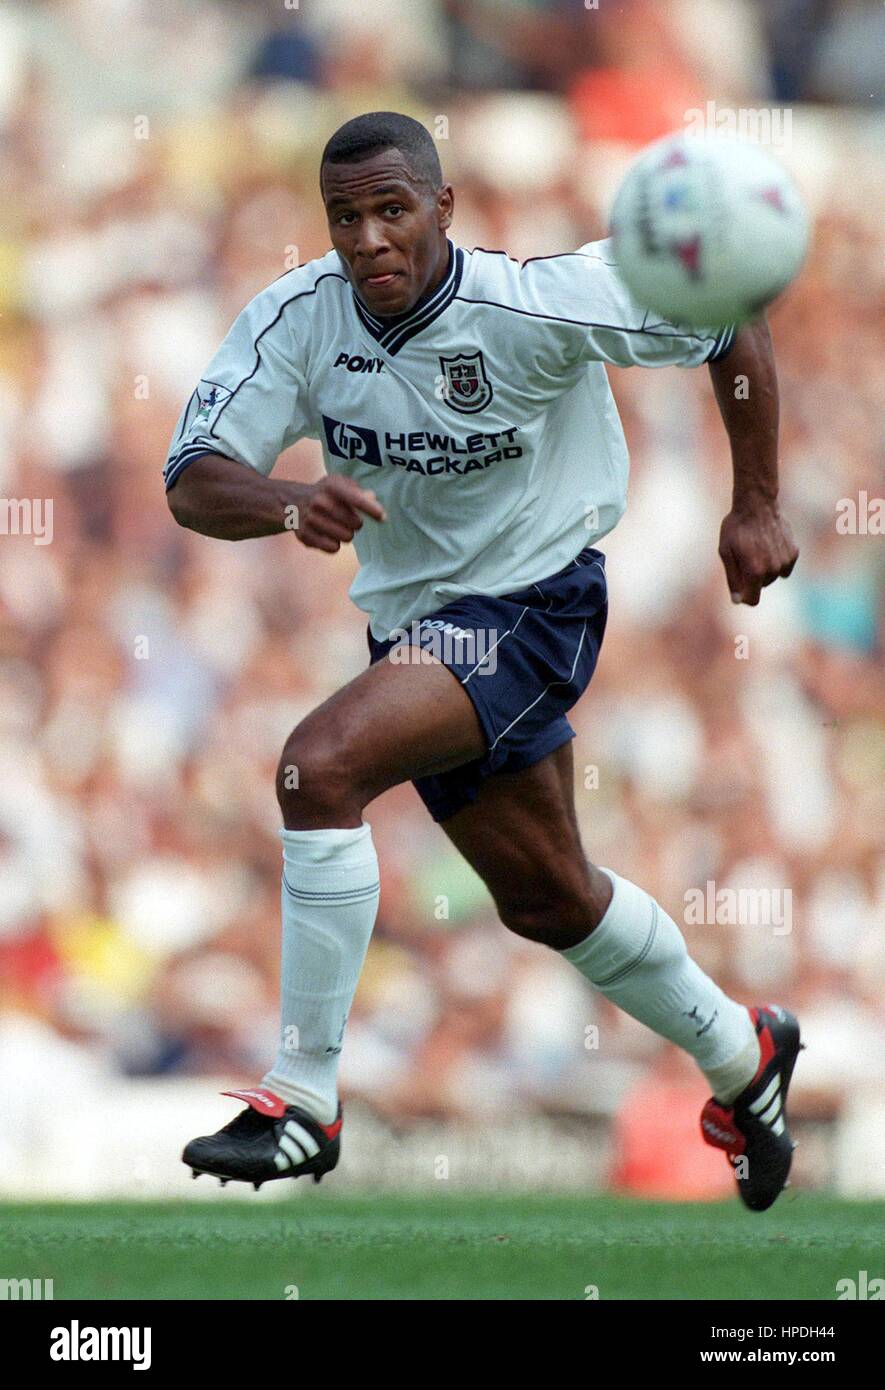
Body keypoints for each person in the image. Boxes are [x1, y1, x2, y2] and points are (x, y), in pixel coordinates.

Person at [166, 112, 801, 1211]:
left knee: (316, 767)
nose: (368, 238)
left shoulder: (537, 300)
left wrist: (753, 504)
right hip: (416, 628)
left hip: (535, 602)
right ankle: (746, 1059)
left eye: (392, 210)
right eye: (345, 218)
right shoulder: (295, 321)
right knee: (551, 899)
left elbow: (727, 326)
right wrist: (284, 500)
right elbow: (191, 474)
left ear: (444, 209)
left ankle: (303, 1101)